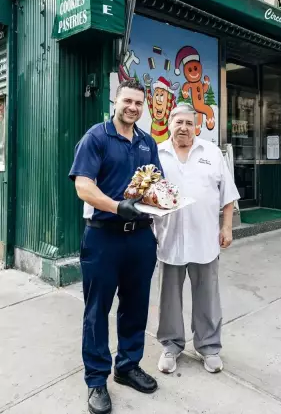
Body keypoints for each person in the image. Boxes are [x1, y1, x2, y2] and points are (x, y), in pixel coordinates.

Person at [69, 79, 162, 414]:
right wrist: (116, 206)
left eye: (139, 103)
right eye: (128, 101)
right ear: (116, 101)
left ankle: (127, 366)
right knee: (97, 311)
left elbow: (155, 184)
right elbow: (83, 186)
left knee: (136, 306)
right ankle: (96, 380)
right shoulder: (96, 137)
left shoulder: (147, 143)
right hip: (103, 237)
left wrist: (165, 202)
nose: (133, 107)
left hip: (139, 238)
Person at [154, 104, 239, 375]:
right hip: (168, 240)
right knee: (168, 298)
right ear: (169, 123)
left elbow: (228, 195)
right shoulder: (158, 154)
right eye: (179, 122)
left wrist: (227, 228)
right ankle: (171, 345)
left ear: (197, 126)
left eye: (189, 123)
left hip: (204, 240)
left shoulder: (212, 153)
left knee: (208, 296)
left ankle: (209, 346)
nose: (184, 127)